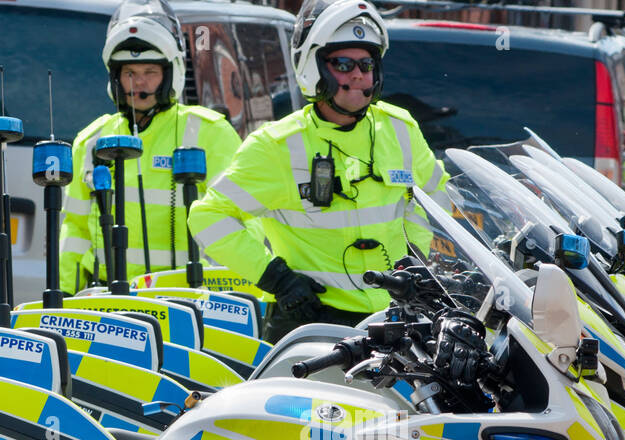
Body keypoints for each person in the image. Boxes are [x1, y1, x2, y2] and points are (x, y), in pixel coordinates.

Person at [188, 0, 449, 343]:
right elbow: (208, 217)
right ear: (314, 69)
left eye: (366, 64)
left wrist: (414, 263)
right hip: (311, 324)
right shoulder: (277, 145)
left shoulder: (400, 128)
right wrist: (276, 278)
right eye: (343, 64)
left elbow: (436, 201)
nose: (357, 74)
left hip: (395, 318)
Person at [58, 0, 242, 293]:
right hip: (107, 297)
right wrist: (64, 293)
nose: (139, 83)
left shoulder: (211, 133)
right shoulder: (91, 140)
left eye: (150, 71)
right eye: (129, 72)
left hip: (188, 295)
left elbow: (238, 220)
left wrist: (221, 288)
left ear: (170, 73)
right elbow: (75, 230)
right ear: (115, 77)